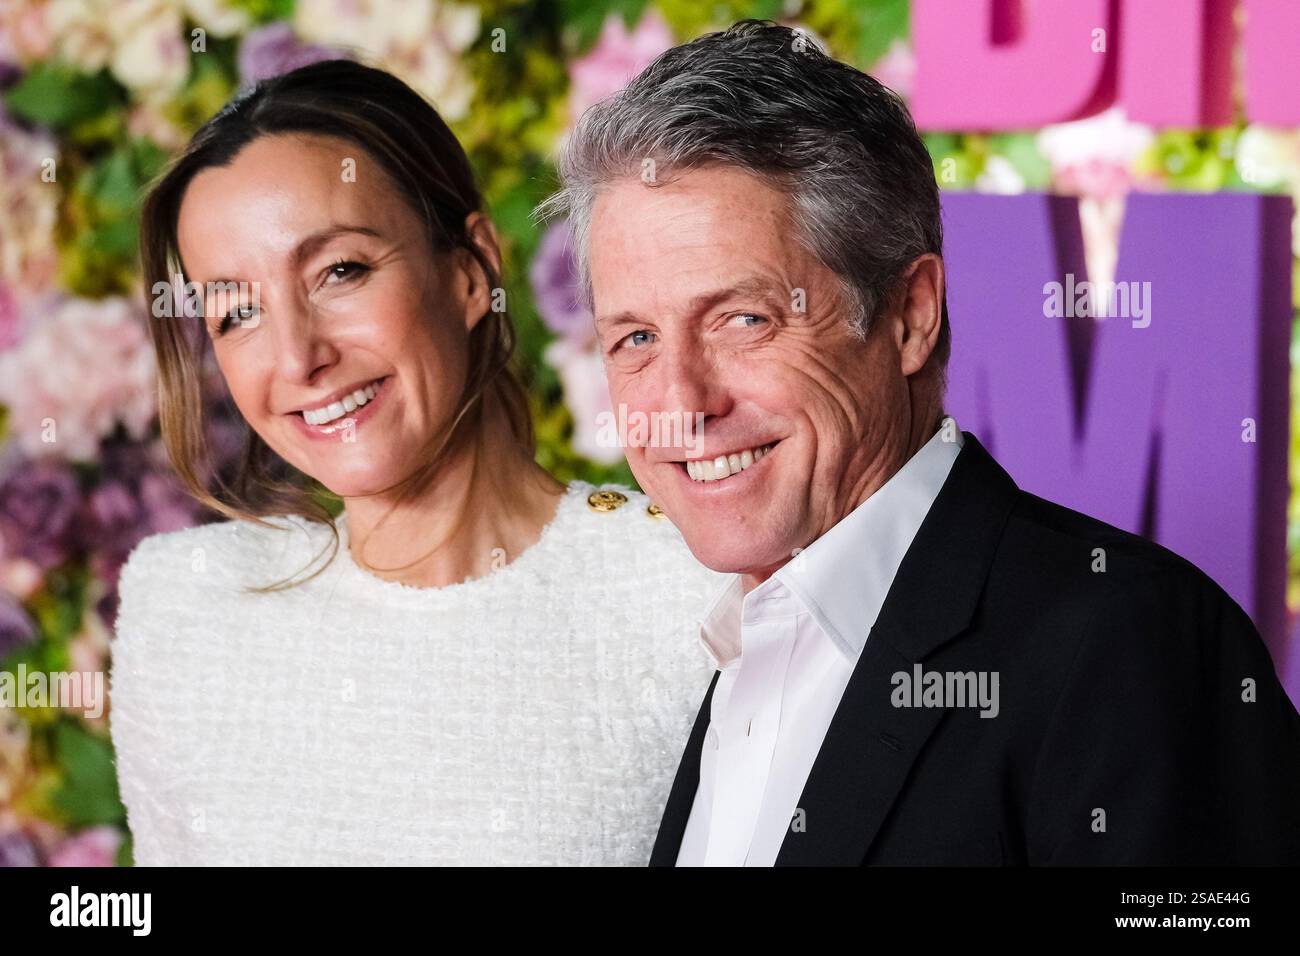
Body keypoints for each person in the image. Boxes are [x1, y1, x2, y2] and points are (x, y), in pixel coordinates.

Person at [539, 19, 1300, 865]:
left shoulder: (1130, 644)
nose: (681, 401)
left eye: (743, 319)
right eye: (635, 339)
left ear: (910, 315)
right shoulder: (730, 652)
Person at [111, 59, 719, 865]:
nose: (298, 357)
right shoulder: (184, 609)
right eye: (237, 312)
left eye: (340, 271)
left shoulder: (691, 586)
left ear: (470, 271)